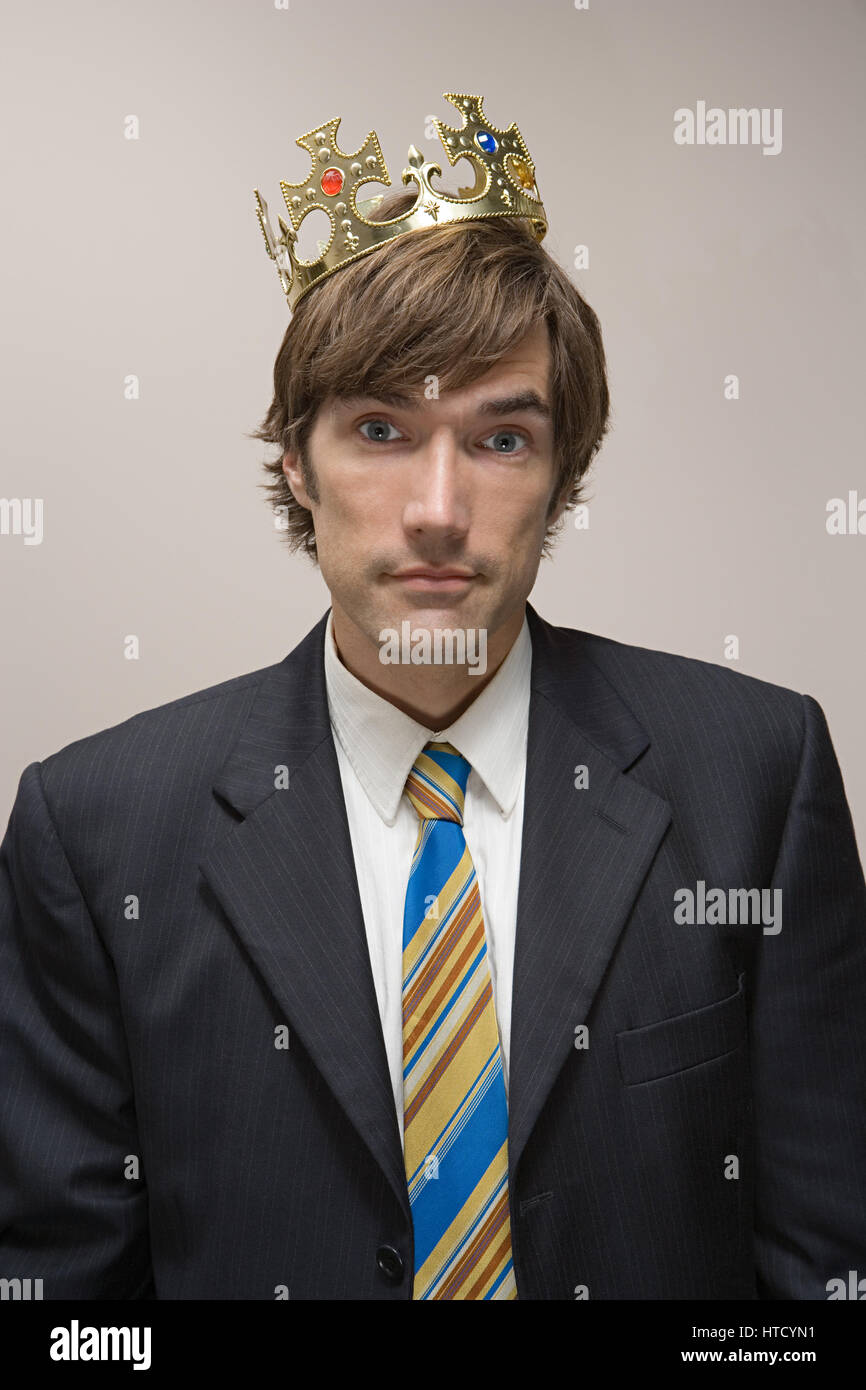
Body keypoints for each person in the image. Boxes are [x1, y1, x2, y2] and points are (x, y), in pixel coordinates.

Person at [1, 93, 864, 1301]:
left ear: (564, 466)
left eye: (500, 439)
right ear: (295, 463)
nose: (438, 508)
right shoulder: (93, 830)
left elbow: (824, 1267)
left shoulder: (756, 776)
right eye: (379, 429)